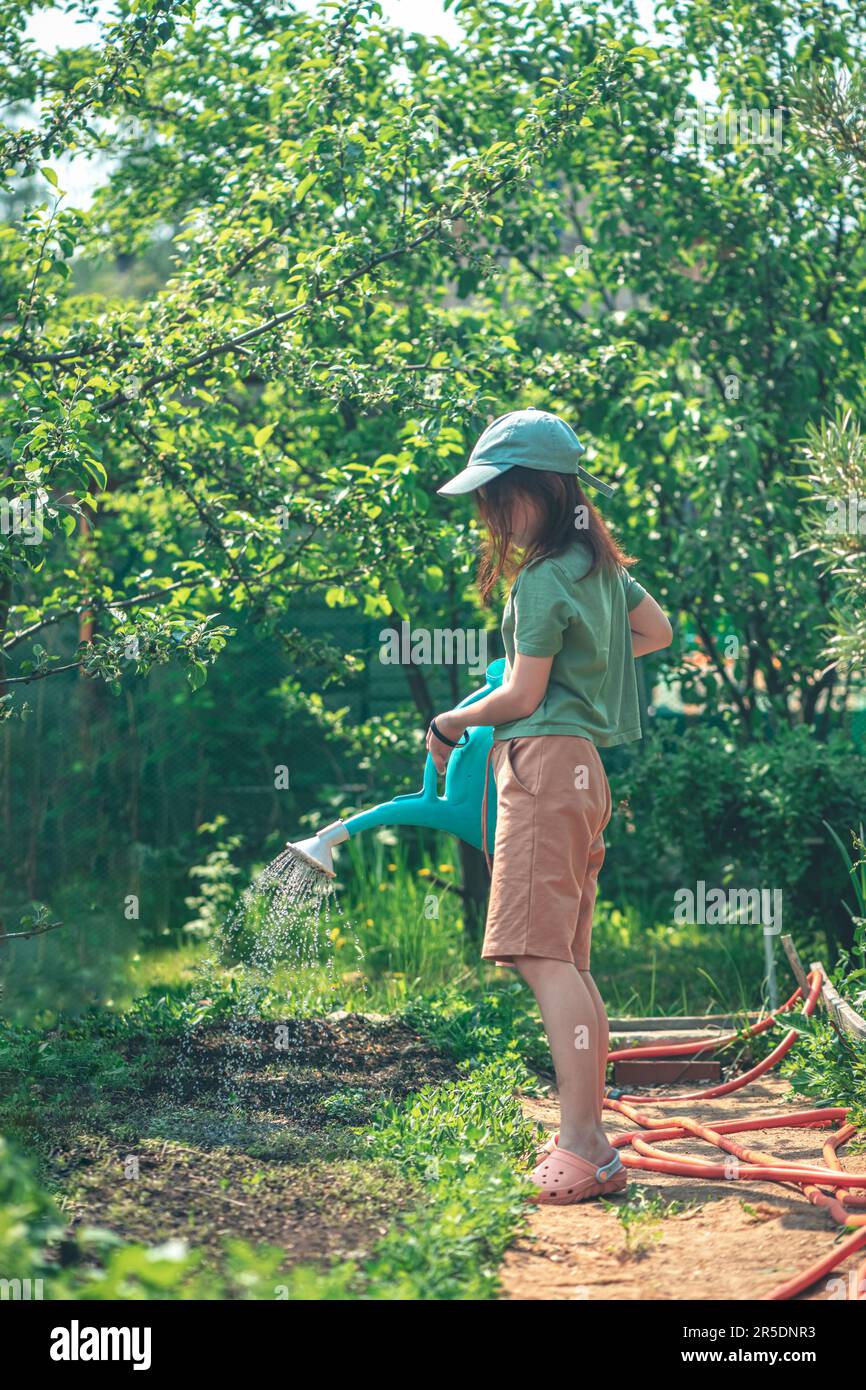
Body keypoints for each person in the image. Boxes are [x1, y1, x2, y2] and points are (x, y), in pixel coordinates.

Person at [428, 408, 672, 1204]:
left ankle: (583, 1143)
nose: (489, 514)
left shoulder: (540, 578)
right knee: (564, 958)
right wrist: (588, 672)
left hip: (540, 766)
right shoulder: (598, 568)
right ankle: (589, 1138)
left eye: (497, 496)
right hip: (585, 770)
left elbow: (523, 693)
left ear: (535, 489)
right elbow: (656, 632)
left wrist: (454, 719)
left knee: (539, 957)